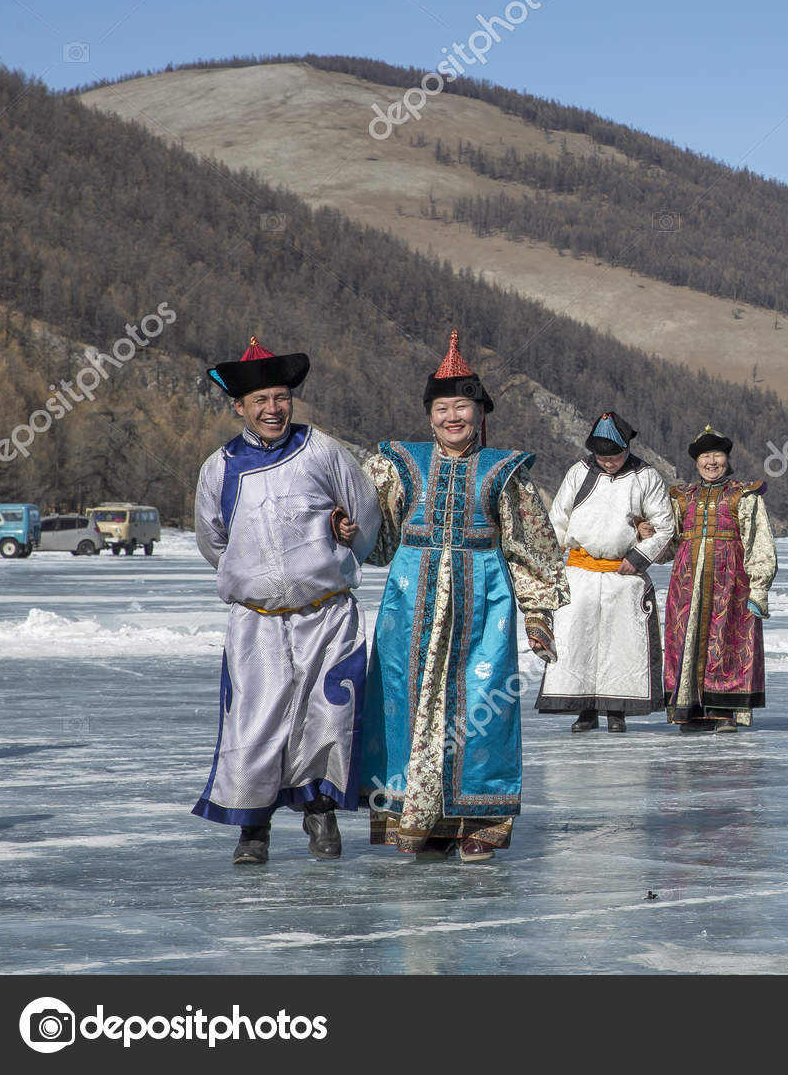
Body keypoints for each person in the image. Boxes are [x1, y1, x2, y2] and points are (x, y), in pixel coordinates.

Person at [361, 330, 569, 862]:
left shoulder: (505, 472)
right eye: (443, 408)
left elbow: (531, 550)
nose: (453, 417)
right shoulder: (399, 463)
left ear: (480, 412)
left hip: (484, 604)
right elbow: (374, 537)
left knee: (483, 705)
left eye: (464, 407)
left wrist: (537, 615)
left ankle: (480, 818)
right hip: (410, 606)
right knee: (405, 703)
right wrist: (343, 530)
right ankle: (416, 817)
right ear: (430, 414)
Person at [192, 336, 381, 864]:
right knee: (254, 721)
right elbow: (214, 541)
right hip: (257, 622)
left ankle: (320, 814)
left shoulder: (323, 450)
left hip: (326, 613)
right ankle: (253, 828)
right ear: (240, 407)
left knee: (326, 717)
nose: (273, 409)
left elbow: (363, 514)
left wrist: (342, 543)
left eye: (281, 398)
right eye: (261, 402)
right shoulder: (220, 467)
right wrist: (257, 578)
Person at [534, 412, 676, 732]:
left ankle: (617, 711)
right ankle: (584, 710)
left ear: (626, 448)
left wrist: (639, 557)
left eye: (614, 456)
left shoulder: (646, 476)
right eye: (602, 456)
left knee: (621, 645)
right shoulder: (579, 472)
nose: (608, 462)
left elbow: (665, 526)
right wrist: (549, 560)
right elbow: (558, 517)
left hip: (622, 572)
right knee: (577, 642)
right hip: (580, 569)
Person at [653, 425, 777, 733]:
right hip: (686, 584)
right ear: (696, 462)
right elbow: (667, 547)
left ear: (727, 459)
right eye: (705, 456)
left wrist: (759, 587)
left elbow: (759, 542)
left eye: (717, 455)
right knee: (686, 642)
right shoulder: (680, 497)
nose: (711, 462)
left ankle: (723, 711)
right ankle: (690, 711)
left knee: (727, 641)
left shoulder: (744, 496)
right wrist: (646, 534)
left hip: (731, 584)